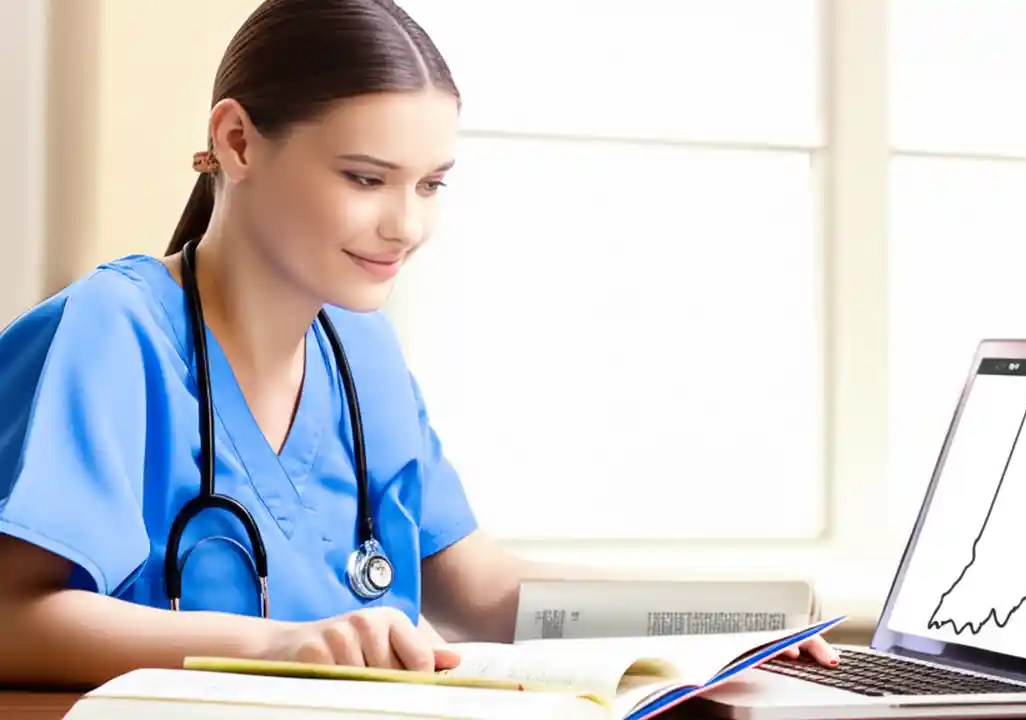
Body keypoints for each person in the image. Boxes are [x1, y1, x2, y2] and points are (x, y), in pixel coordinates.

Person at [0, 0, 837, 689]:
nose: (408, 226)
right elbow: (11, 618)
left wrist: (736, 624)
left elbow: (480, 591)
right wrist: (277, 647)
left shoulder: (361, 353)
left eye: (431, 184)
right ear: (238, 141)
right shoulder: (109, 334)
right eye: (366, 179)